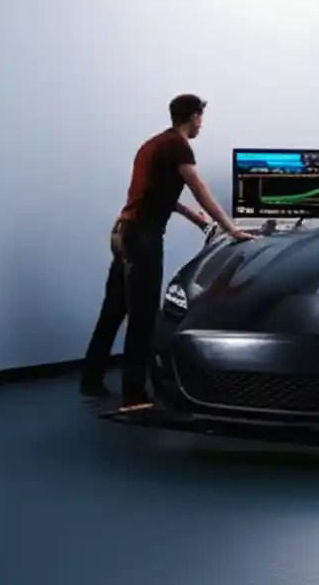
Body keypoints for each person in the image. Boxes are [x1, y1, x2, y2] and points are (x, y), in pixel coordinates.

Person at [79, 94, 254, 405]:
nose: (202, 123)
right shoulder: (179, 146)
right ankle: (135, 395)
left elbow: (158, 194)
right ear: (195, 117)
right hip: (142, 237)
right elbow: (200, 189)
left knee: (113, 310)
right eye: (201, 117)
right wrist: (230, 228)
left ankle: (90, 382)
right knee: (143, 315)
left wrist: (193, 219)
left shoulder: (153, 144)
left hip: (123, 231)